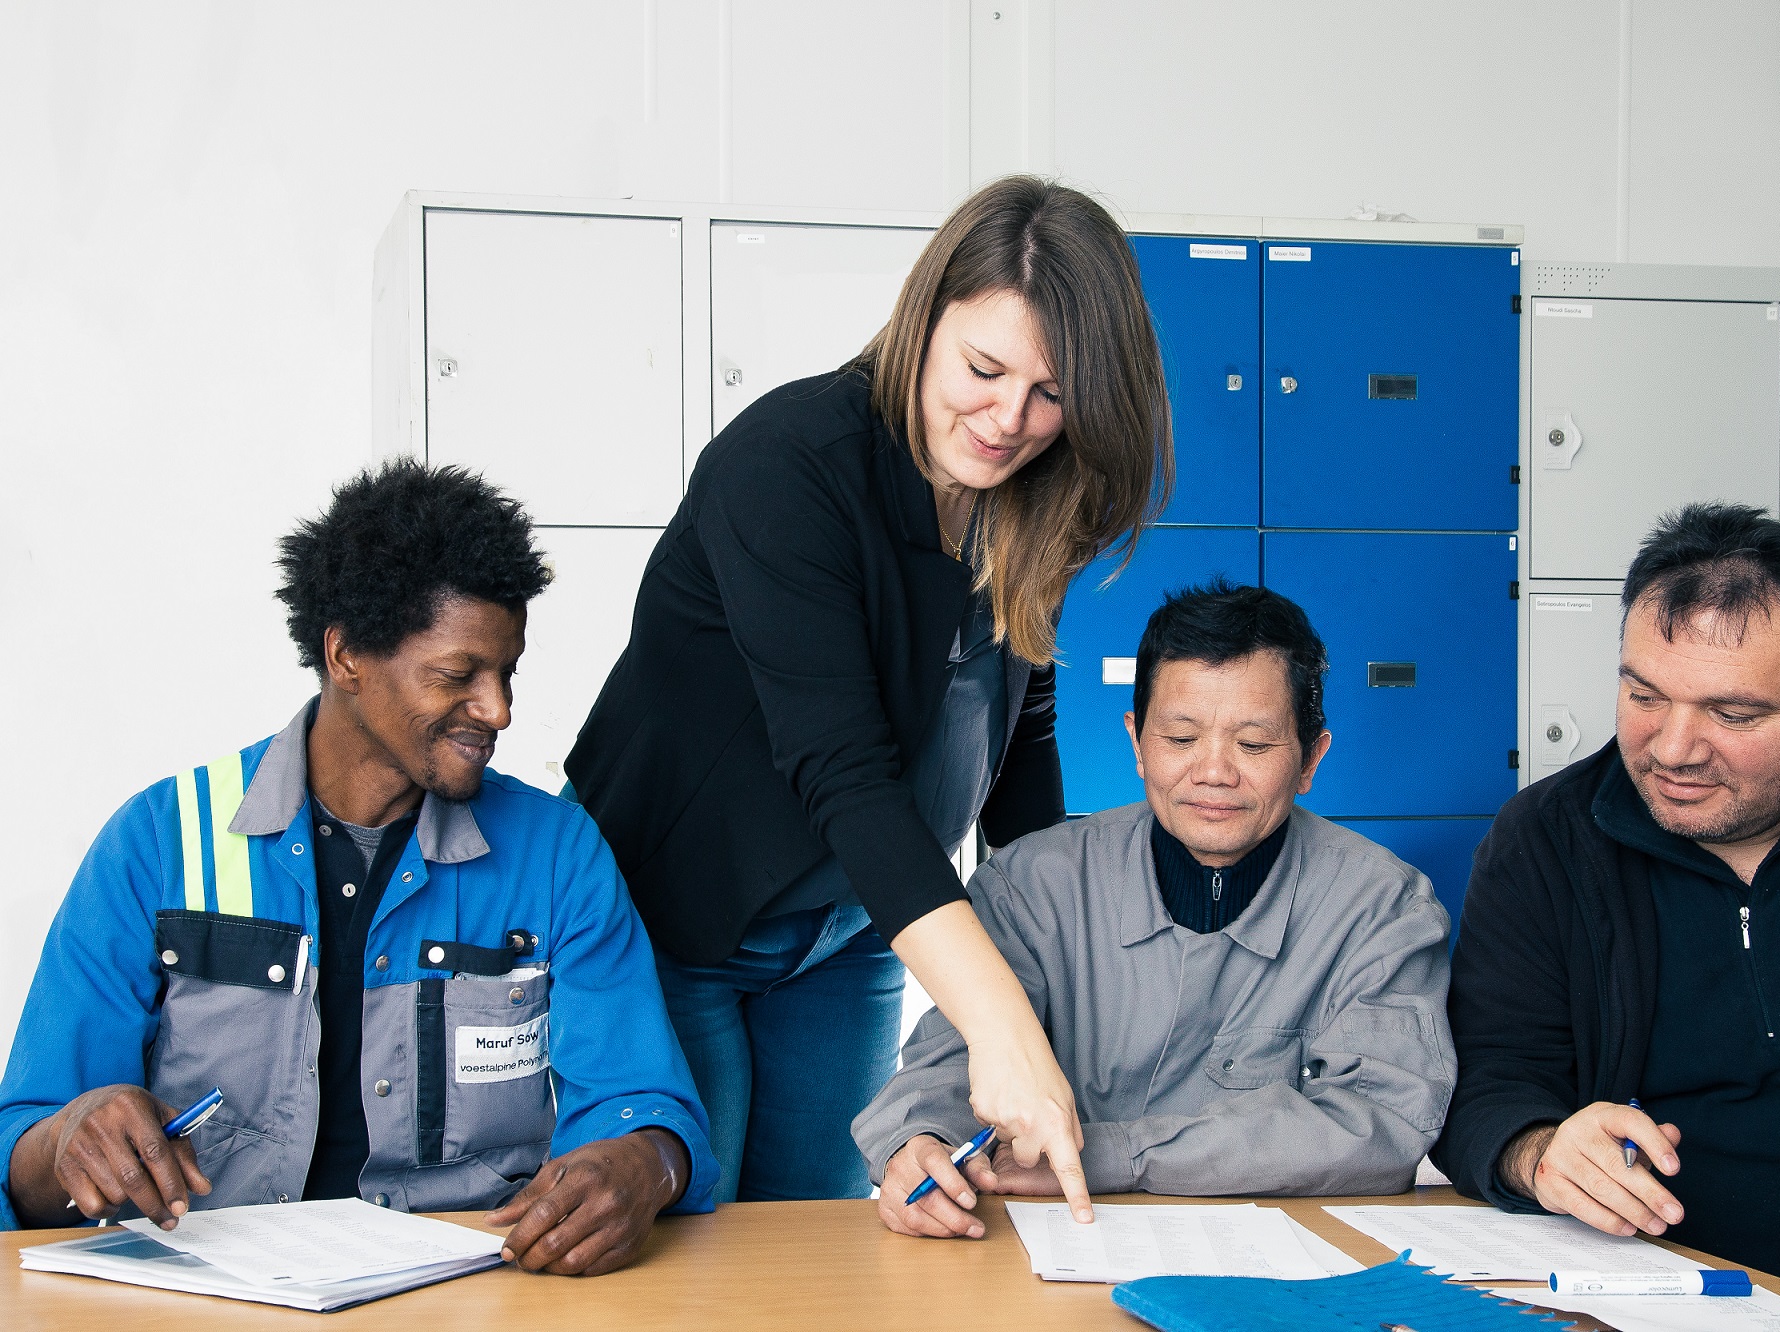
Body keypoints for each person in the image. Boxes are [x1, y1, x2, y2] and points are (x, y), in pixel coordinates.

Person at [563, 175, 1172, 1213]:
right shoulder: (790, 463)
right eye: (983, 369)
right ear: (922, 314)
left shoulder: (1031, 498)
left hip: (848, 932)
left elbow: (1020, 745)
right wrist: (1001, 1027)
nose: (1008, 420)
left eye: (1051, 393)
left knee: (812, 1241)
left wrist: (1051, 966)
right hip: (679, 922)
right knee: (693, 1244)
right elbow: (843, 772)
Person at [0, 461, 718, 1277]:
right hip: (206, 1299)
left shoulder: (557, 853)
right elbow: (25, 1150)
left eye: (507, 672)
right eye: (459, 676)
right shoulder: (160, 844)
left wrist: (647, 1167)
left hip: (471, 1291)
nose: (499, 710)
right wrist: (69, 1137)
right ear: (346, 656)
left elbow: (644, 1102)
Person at [1433, 502, 1780, 1329]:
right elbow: (1486, 1080)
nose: (1672, 749)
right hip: (1640, 1300)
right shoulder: (1545, 840)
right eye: (1644, 695)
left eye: (1733, 715)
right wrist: (1538, 1149)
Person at [853, 582, 1455, 1238]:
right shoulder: (1034, 883)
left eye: (1253, 745)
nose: (1214, 771)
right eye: (1180, 737)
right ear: (1138, 742)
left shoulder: (1384, 907)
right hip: (1051, 1250)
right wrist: (919, 1141)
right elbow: (954, 1056)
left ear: (1311, 758)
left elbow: (1379, 1127)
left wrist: (1112, 1154)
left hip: (1286, 1267)